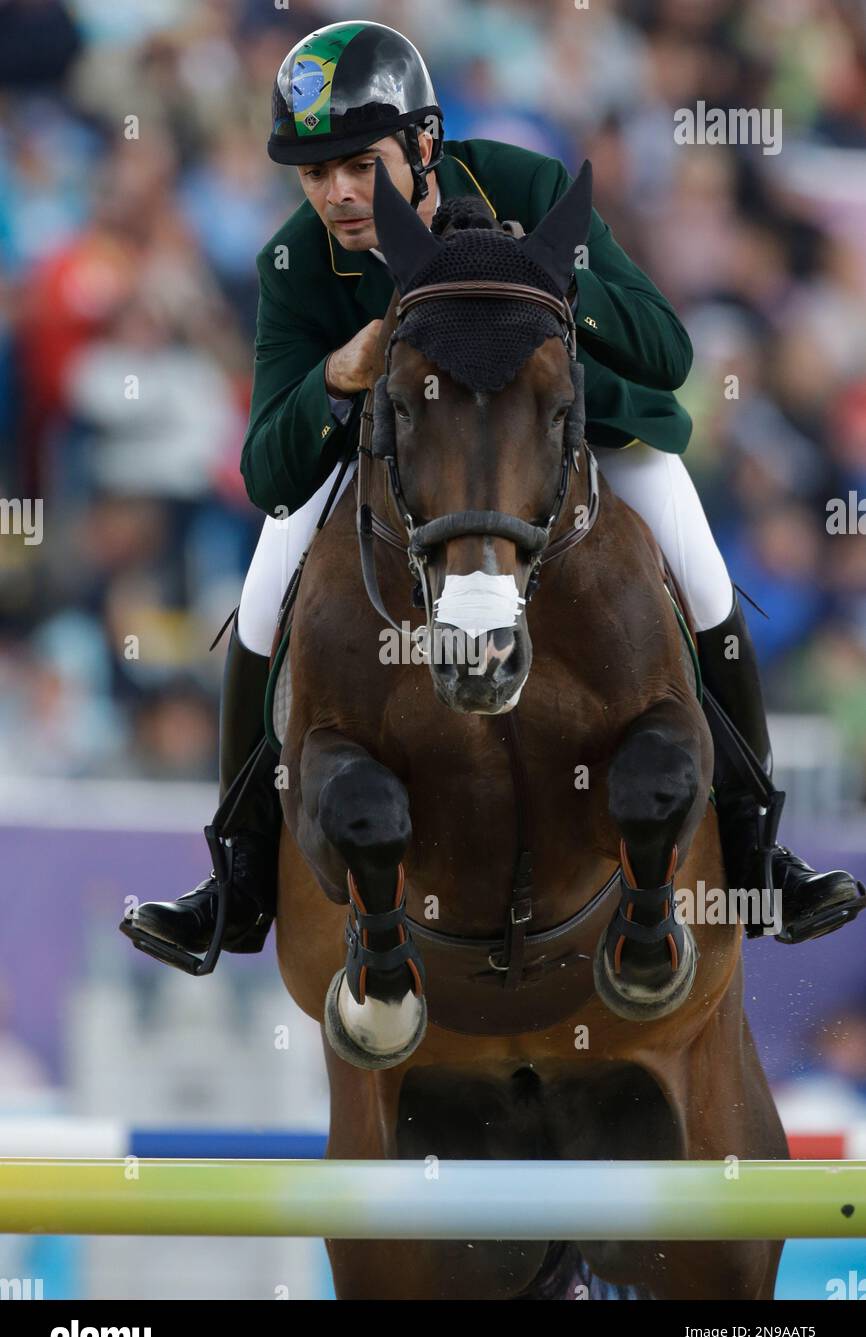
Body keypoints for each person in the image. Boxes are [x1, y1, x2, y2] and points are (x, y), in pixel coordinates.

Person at [126, 19, 861, 959]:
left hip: (565, 433)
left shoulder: (524, 186)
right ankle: (234, 878)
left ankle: (761, 859)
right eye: (314, 174)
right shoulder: (296, 262)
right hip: (401, 458)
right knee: (264, 594)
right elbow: (266, 466)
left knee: (706, 575)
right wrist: (332, 380)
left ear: (423, 142)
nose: (339, 194)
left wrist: (547, 282)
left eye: (358, 162)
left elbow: (668, 350)